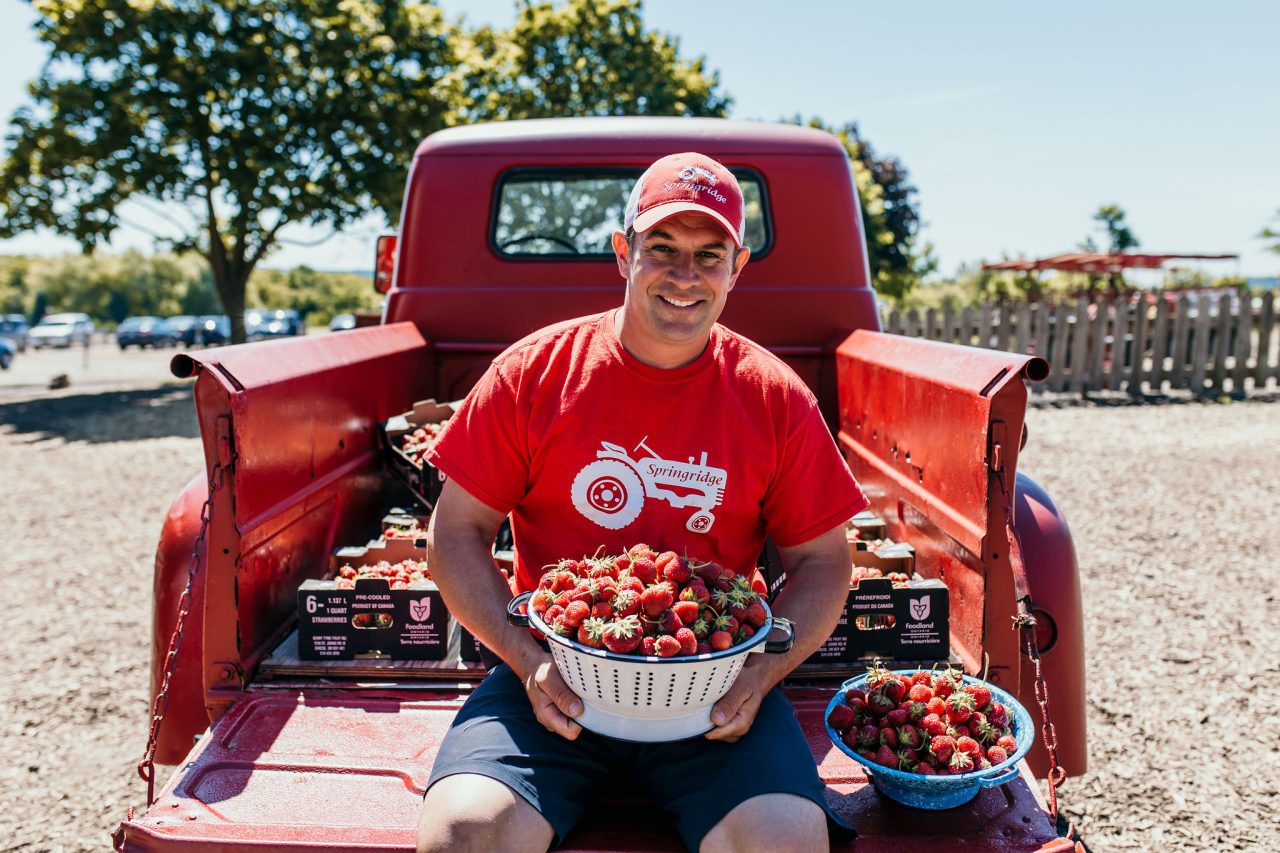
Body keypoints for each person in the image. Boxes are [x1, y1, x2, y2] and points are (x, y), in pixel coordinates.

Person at [417, 152, 868, 853]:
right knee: (465, 833)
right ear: (624, 251)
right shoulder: (534, 373)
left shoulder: (774, 396)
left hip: (715, 692)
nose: (685, 275)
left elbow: (823, 561)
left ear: (736, 267)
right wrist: (522, 654)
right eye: (662, 248)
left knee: (784, 841)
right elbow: (455, 532)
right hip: (553, 677)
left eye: (708, 254)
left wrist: (762, 669)